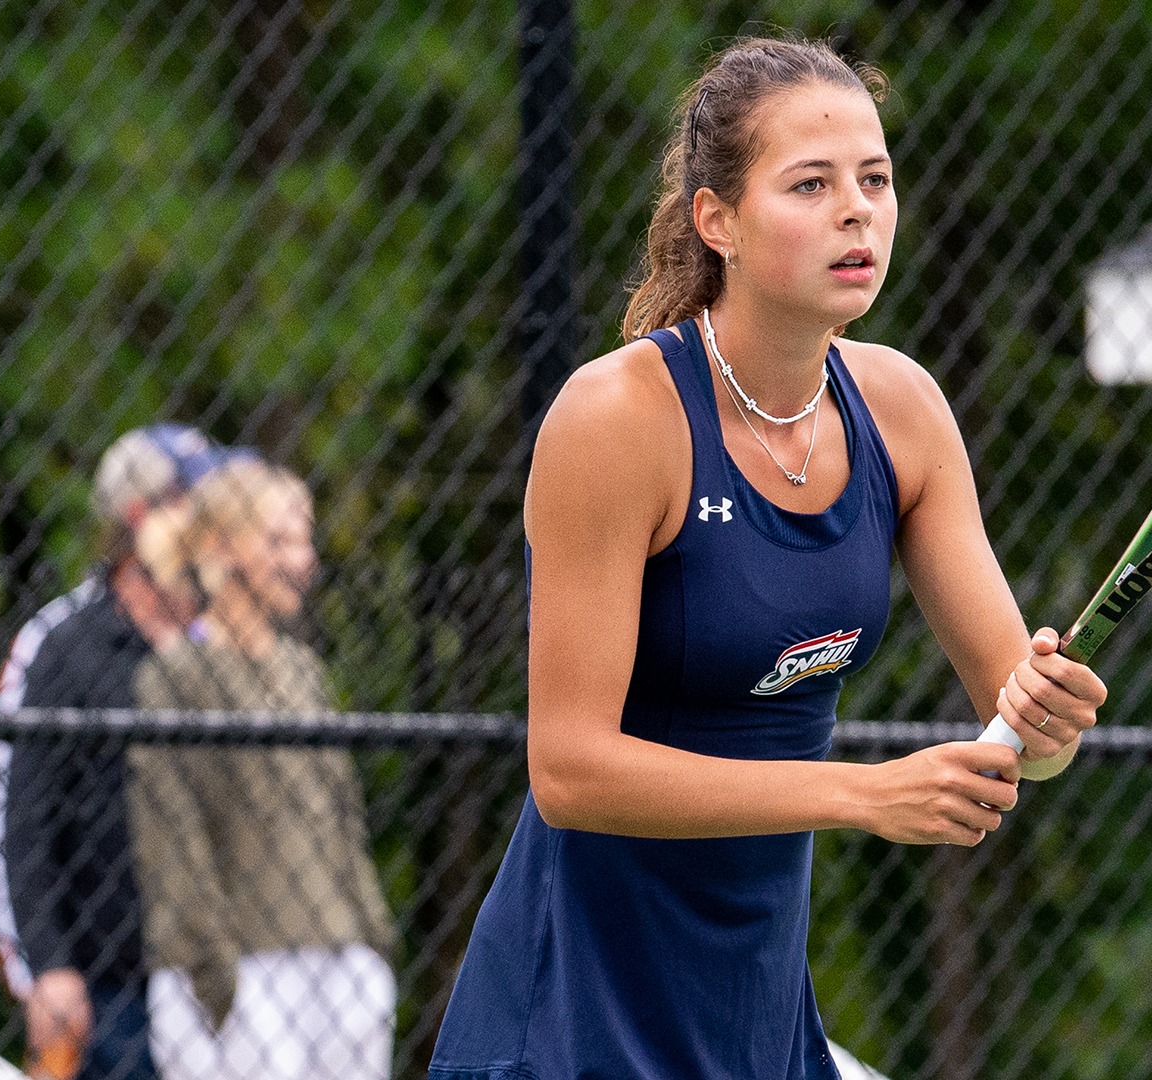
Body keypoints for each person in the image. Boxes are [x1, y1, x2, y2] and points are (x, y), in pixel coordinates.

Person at [428, 34, 1106, 1080]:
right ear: (718, 221)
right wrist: (861, 795)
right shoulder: (617, 421)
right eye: (811, 184)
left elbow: (1022, 737)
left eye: (875, 180)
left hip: (757, 1016)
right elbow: (568, 770)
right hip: (573, 1018)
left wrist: (1046, 725)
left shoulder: (903, 413)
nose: (857, 210)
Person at [127, 458, 396, 1080]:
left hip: (339, 961)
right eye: (278, 541)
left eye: (304, 541)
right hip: (237, 967)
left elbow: (342, 818)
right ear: (221, 547)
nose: (301, 560)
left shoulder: (304, 671)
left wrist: (373, 945)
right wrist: (218, 977)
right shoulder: (175, 675)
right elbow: (173, 838)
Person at [0, 423, 241, 1080]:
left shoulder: (222, 642)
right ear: (139, 517)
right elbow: (18, 821)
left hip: (216, 981)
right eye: (197, 507)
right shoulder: (59, 645)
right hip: (106, 987)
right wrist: (46, 970)